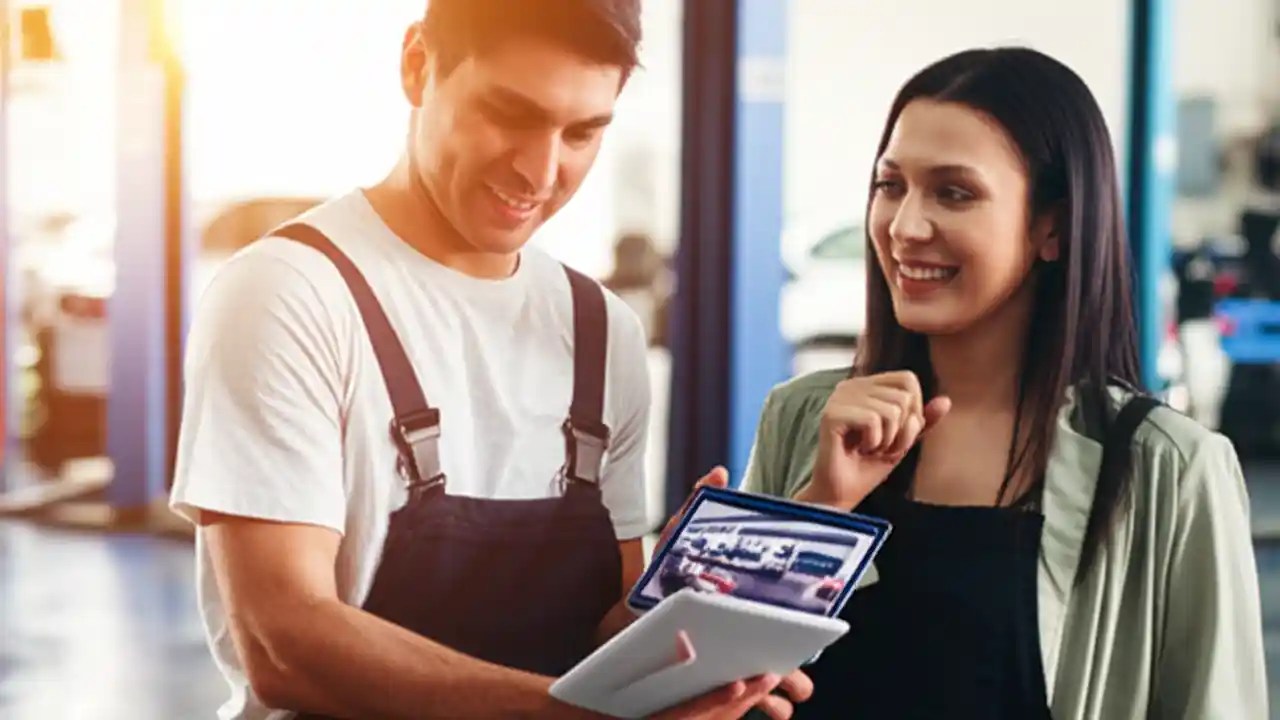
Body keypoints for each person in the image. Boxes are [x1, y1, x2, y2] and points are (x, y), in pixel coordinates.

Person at [169, 2, 809, 718]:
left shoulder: (604, 333)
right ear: (417, 66)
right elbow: (284, 646)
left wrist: (686, 608)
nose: (540, 170)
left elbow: (600, 644)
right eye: (509, 113)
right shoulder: (292, 294)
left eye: (581, 132)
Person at [740, 48, 1269, 719]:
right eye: (891, 185)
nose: (904, 226)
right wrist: (820, 506)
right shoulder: (804, 419)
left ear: (1053, 226)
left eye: (953, 192)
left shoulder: (1167, 468)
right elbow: (713, 684)